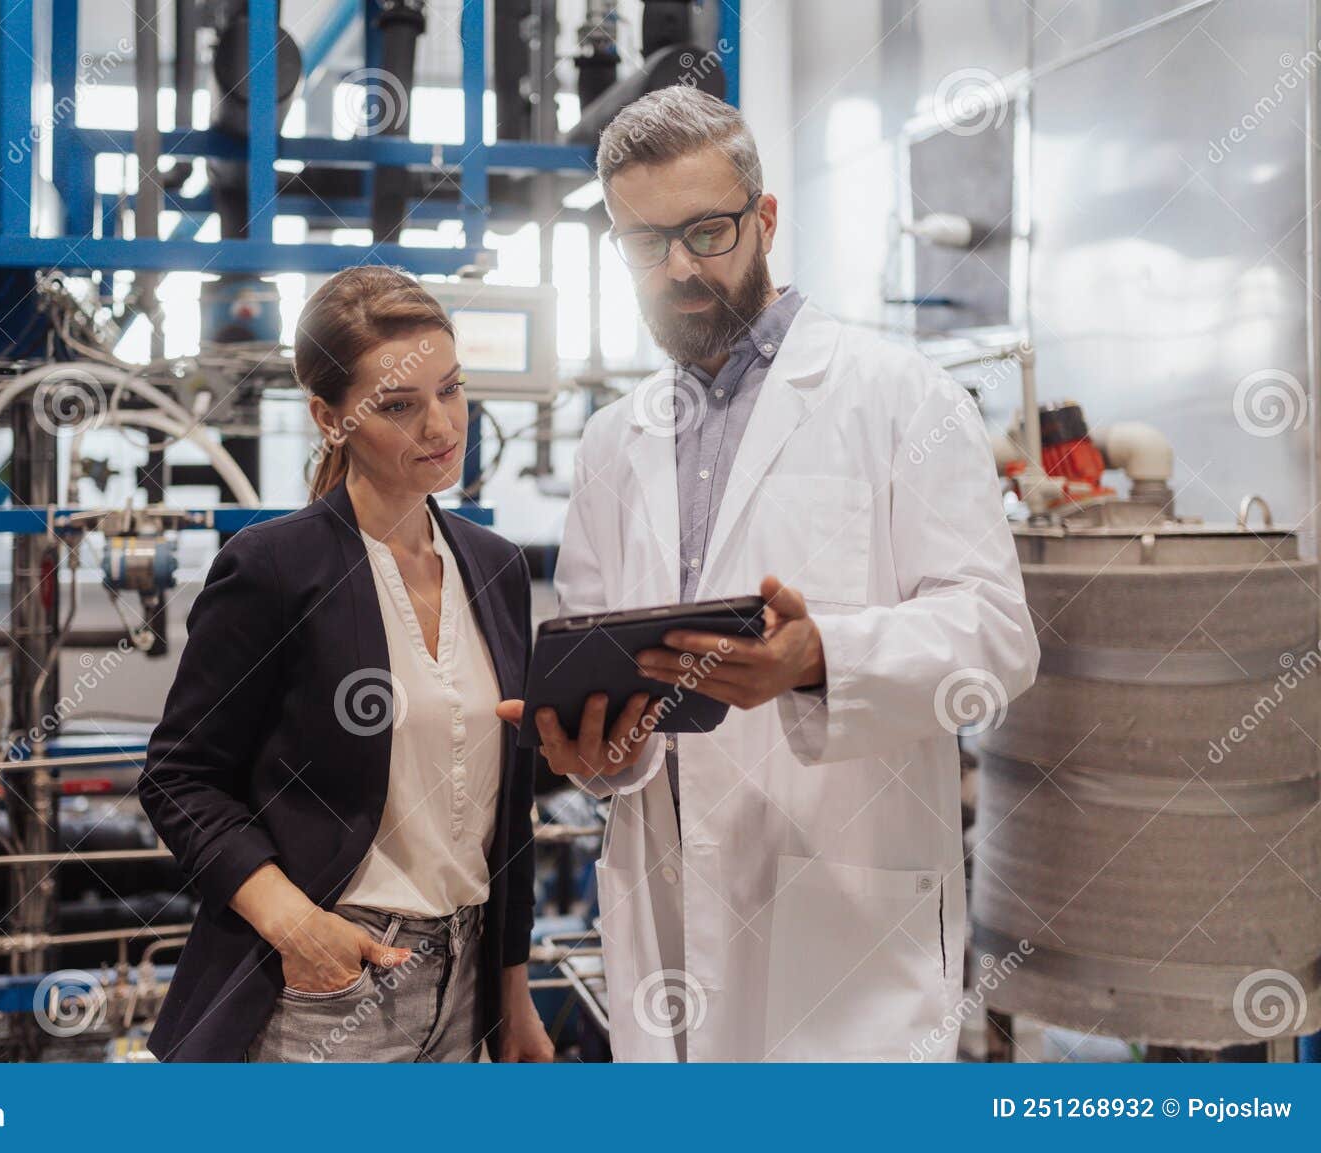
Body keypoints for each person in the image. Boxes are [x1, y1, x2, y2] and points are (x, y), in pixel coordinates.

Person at [498, 86, 1039, 1061]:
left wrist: (820, 655)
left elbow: (996, 637)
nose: (677, 268)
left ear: (766, 219)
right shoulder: (611, 443)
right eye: (642, 243)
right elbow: (598, 659)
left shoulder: (899, 398)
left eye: (707, 231)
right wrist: (596, 752)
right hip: (664, 908)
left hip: (843, 918)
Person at [141, 265, 553, 1063]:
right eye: (399, 405)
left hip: (468, 982)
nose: (441, 425)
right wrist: (298, 927)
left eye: (452, 389)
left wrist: (513, 990)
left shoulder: (496, 567)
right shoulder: (275, 567)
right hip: (329, 980)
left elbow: (513, 809)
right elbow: (178, 777)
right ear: (330, 418)